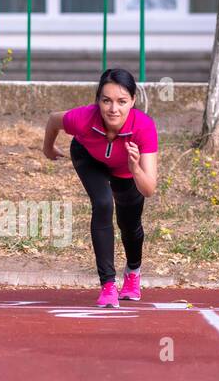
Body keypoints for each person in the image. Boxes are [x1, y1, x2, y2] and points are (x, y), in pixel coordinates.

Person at [42, 67, 159, 308]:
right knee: (103, 204)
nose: (113, 109)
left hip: (128, 168)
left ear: (133, 101)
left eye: (121, 101)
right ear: (98, 101)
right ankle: (107, 285)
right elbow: (54, 119)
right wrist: (48, 148)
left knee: (129, 223)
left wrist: (136, 168)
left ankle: (133, 272)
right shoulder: (84, 118)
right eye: (106, 101)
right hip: (90, 158)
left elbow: (149, 189)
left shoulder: (144, 128)